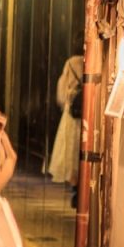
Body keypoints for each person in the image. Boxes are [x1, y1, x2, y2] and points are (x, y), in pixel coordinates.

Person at [45, 51, 84, 207]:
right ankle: (81, 184)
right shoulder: (93, 60)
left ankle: (75, 185)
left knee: (70, 150)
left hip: (72, 111)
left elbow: (61, 93)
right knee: (79, 150)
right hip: (87, 113)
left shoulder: (71, 63)